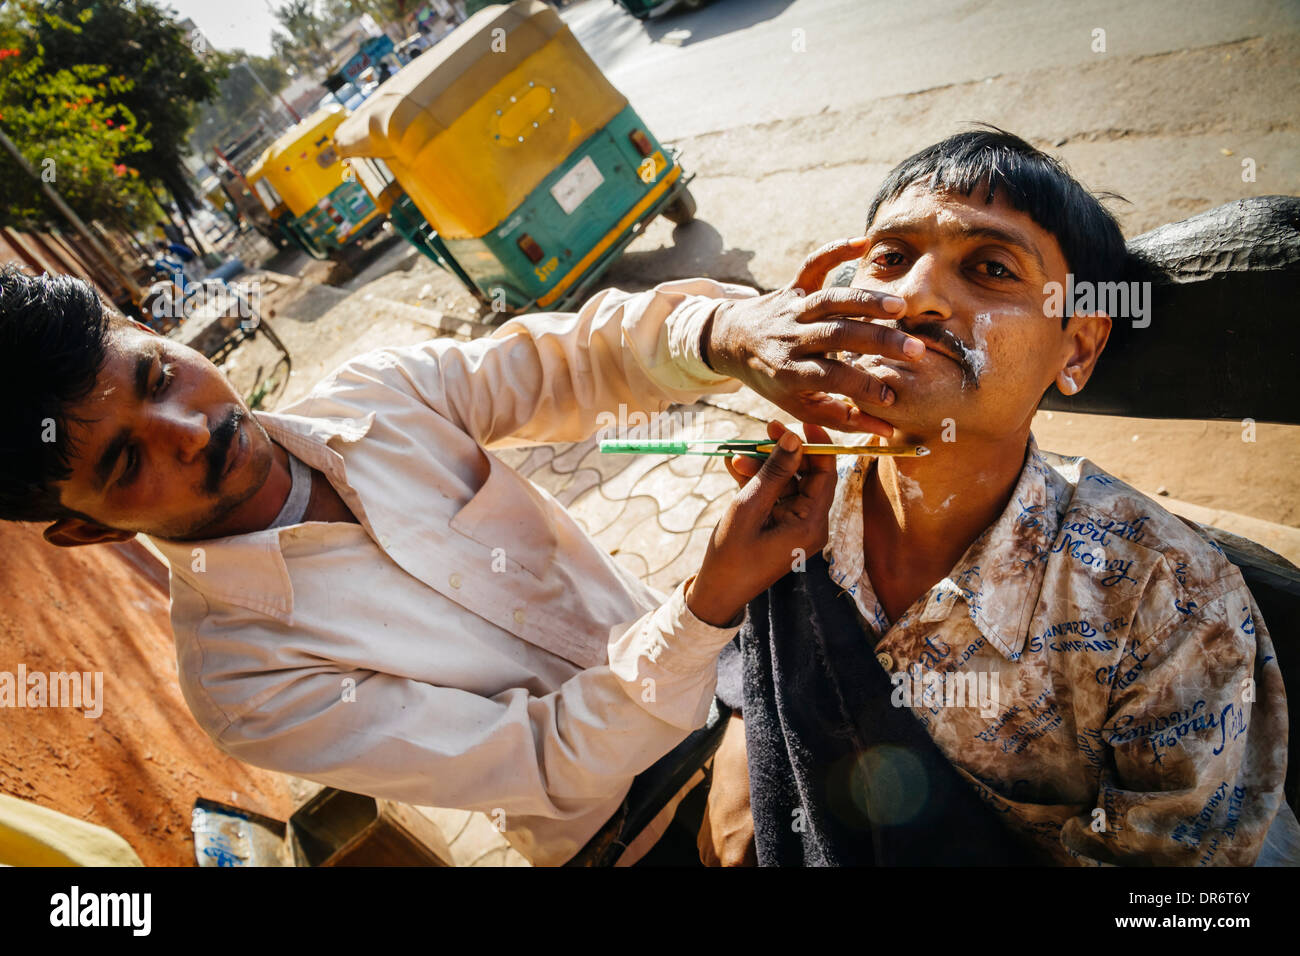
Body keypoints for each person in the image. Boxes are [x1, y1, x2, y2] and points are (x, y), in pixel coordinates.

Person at [0, 250, 924, 865]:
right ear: (88, 531)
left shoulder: (374, 395)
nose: (189, 429)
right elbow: (547, 762)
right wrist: (708, 602)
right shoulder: (244, 682)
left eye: (160, 376)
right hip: (641, 831)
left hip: (740, 679)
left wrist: (729, 336)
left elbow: (574, 363)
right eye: (126, 461)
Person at [699, 127, 1291, 866]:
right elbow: (764, 656)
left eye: (990, 267)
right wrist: (743, 744)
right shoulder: (805, 495)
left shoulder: (1165, 605)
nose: (913, 298)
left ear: (1075, 349)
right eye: (890, 257)